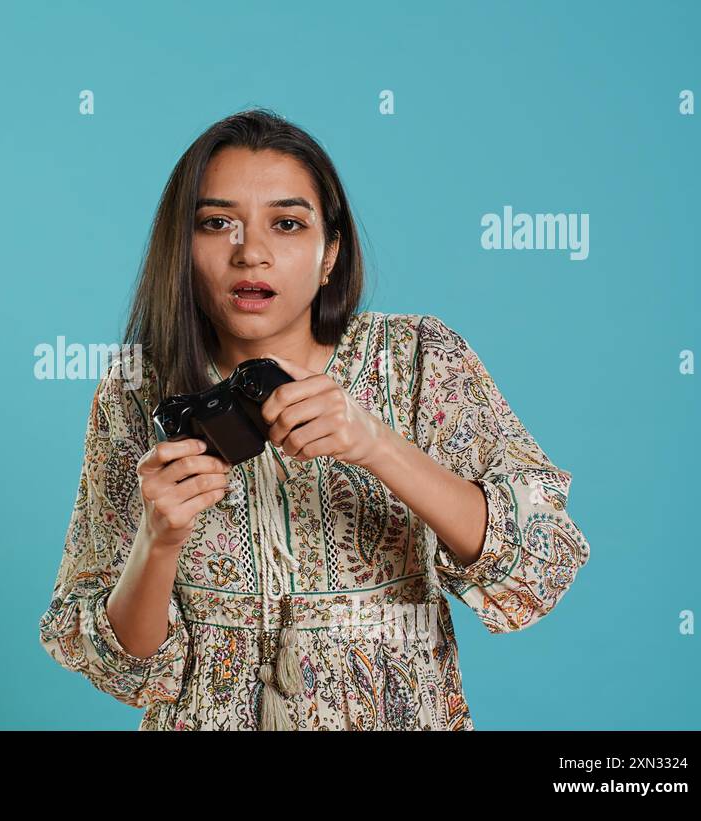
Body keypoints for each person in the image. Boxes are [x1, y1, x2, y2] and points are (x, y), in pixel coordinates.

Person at [37, 108, 591, 730]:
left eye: (287, 224)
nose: (252, 254)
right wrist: (157, 540)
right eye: (217, 223)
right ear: (182, 247)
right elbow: (121, 666)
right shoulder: (137, 389)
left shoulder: (418, 360)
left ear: (330, 253)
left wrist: (377, 444)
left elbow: (539, 564)